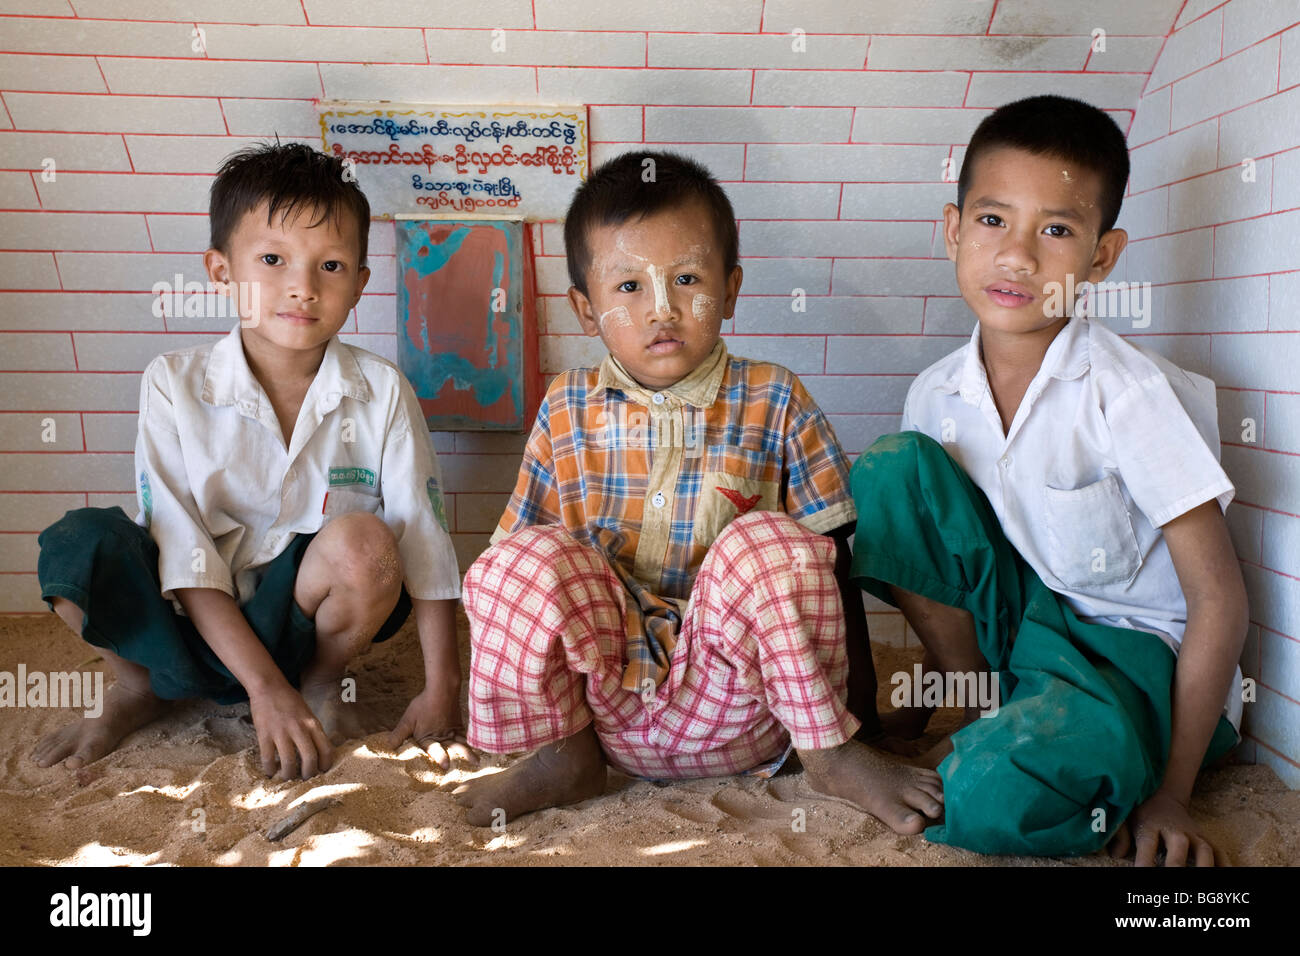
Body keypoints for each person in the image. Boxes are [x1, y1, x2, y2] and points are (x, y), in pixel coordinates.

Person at [453, 150, 944, 834]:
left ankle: (831, 757)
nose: (662, 308)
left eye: (686, 278)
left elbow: (836, 565)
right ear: (585, 308)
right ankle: (559, 757)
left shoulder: (777, 398)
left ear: (731, 289)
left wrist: (852, 715)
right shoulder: (566, 408)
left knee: (770, 543)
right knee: (513, 564)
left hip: (746, 708)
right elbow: (522, 591)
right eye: (628, 286)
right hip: (609, 714)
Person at [850, 95, 1247, 863]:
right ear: (952, 230)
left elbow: (1219, 599)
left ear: (1101, 256)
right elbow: (946, 549)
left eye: (1056, 230)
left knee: (993, 801)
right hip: (1024, 635)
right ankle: (979, 708)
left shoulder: (1124, 394)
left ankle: (1049, 748)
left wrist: (1172, 792)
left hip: (1130, 663)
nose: (1019, 256)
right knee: (891, 468)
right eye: (993, 220)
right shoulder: (937, 393)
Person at [33, 143, 469, 781]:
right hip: (187, 627)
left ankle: (320, 684)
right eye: (272, 260)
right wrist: (264, 692)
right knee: (79, 547)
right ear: (219, 270)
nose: (302, 287)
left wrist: (442, 687)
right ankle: (135, 688)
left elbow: (425, 541)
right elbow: (180, 549)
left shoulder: (381, 391)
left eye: (332, 265)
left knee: (366, 543)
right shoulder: (173, 384)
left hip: (300, 629)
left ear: (360, 282)